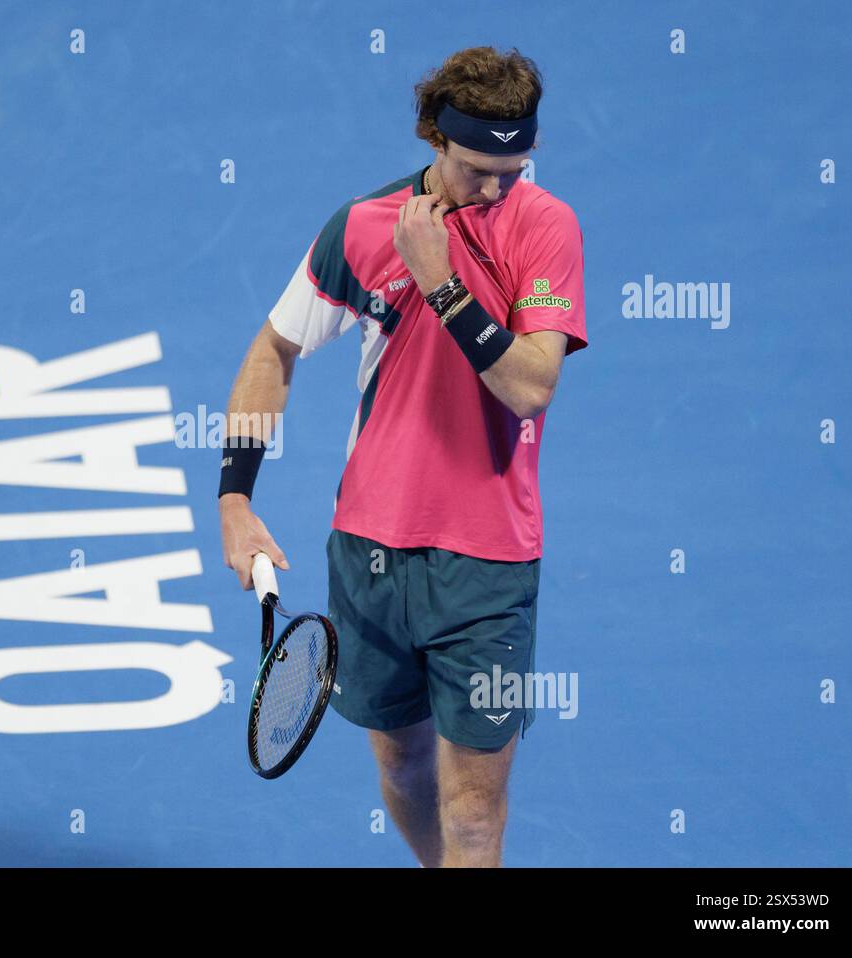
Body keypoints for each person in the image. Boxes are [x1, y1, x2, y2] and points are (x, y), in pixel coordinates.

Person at [217, 46, 588, 867]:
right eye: (474, 170)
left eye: (512, 168)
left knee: (475, 810)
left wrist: (443, 283)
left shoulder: (546, 226)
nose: (494, 189)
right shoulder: (360, 227)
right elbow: (274, 348)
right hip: (369, 554)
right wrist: (235, 500)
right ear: (432, 137)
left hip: (488, 565)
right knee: (405, 768)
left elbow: (531, 386)